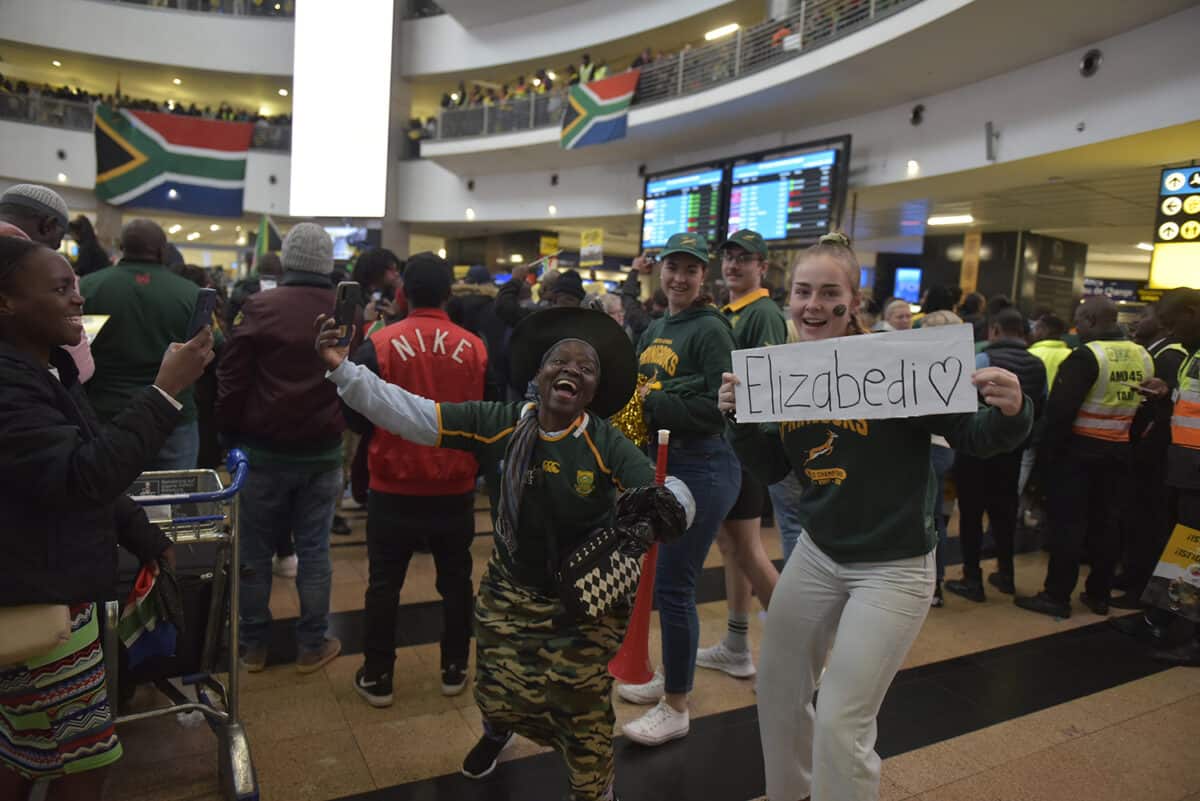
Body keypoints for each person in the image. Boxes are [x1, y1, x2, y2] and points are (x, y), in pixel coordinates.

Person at [317, 305, 695, 801]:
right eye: (561, 361)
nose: (572, 371)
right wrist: (342, 368)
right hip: (509, 586)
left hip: (581, 602)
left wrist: (660, 510)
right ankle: (497, 732)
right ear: (539, 375)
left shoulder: (605, 443)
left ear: (594, 392)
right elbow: (411, 414)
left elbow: (667, 492)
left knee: (580, 711)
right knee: (494, 685)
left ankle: (595, 791)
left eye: (587, 369)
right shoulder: (498, 424)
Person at [720, 233, 1032, 801]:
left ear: (854, 301)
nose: (812, 304)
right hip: (819, 551)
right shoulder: (783, 373)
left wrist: (1013, 411)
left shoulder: (894, 364)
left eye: (828, 292)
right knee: (779, 687)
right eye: (802, 291)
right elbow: (771, 467)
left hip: (894, 563)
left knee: (843, 720)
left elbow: (973, 435)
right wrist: (738, 420)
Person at [0, 236, 211, 801]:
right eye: (61, 288)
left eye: (75, 285)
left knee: (26, 745)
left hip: (48, 586)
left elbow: (84, 471)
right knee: (86, 757)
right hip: (38, 598)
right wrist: (167, 390)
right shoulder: (10, 384)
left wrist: (143, 536)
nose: (77, 299)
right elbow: (82, 476)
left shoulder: (46, 371)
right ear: (7, 303)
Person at [341, 253, 487, 706]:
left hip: (392, 485)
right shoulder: (475, 347)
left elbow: (354, 410)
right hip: (455, 488)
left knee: (384, 584)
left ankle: (379, 675)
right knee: (456, 581)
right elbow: (489, 415)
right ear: (448, 293)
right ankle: (454, 667)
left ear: (403, 291)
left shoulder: (381, 343)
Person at [617, 233, 741, 747]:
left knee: (674, 585)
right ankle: (670, 679)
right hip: (664, 464)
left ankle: (678, 705)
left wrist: (661, 399)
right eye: (673, 267)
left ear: (703, 275)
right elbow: (638, 393)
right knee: (661, 580)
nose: (679, 278)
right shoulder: (657, 327)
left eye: (691, 270)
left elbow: (722, 406)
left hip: (705, 465)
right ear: (660, 270)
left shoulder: (712, 329)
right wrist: (662, 396)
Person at [216, 223, 346, 674]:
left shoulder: (259, 306)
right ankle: (312, 644)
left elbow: (232, 380)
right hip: (324, 452)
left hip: (263, 452)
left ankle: (254, 646)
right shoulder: (346, 310)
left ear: (287, 259)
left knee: (252, 553)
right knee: (315, 551)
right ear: (328, 262)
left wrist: (229, 436)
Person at [1016, 295, 1153, 619]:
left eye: (1080, 320)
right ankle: (1098, 594)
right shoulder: (1143, 355)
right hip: (1120, 454)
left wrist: (1046, 462)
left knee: (1068, 526)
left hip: (1077, 455)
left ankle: (1057, 595)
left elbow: (1060, 413)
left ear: (1091, 320)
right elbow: (1145, 410)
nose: (1077, 327)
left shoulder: (1086, 356)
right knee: (1108, 525)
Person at [697, 230, 786, 680]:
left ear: (762, 267)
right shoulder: (730, 312)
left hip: (743, 447)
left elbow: (765, 384)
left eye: (744, 259)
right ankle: (736, 644)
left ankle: (796, 656)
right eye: (729, 258)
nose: (733, 266)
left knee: (748, 550)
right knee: (732, 546)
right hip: (730, 444)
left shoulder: (763, 313)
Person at [1115, 288, 1200, 665]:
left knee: (1192, 552)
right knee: (1182, 551)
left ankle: (1190, 639)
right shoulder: (1193, 355)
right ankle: (1160, 621)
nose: (1171, 331)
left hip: (1196, 471)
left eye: (1173, 322)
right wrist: (1167, 394)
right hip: (1185, 470)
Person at [80, 219, 208, 470]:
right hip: (174, 417)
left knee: (110, 499)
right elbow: (210, 346)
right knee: (174, 502)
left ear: (121, 246)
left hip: (108, 414)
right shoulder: (192, 294)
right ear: (163, 250)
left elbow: (73, 348)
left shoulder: (88, 288)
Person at [945, 307, 1047, 601]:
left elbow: (963, 405)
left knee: (972, 515)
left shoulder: (982, 359)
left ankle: (972, 578)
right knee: (1004, 512)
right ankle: (1006, 575)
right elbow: (1040, 405)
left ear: (995, 331)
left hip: (976, 454)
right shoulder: (1037, 363)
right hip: (1013, 450)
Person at [1111, 296, 1188, 610]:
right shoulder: (1163, 352)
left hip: (1165, 456)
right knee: (1140, 519)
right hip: (1163, 454)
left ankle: (1145, 588)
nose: (1136, 320)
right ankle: (1135, 578)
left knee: (1153, 524)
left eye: (1145, 314)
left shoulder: (1172, 354)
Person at [0, 184, 94, 385]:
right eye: (58, 241)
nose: (78, 299)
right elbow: (82, 369)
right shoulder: (40, 269)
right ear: (48, 226)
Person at [916, 309, 966, 607]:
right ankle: (935, 583)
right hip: (947, 449)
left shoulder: (925, 367)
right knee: (937, 517)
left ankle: (930, 583)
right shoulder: (960, 365)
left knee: (926, 518)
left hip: (929, 449)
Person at [1028, 313, 1071, 386]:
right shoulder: (1070, 354)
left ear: (1045, 330)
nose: (1032, 332)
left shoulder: (1030, 354)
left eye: (1036, 328)